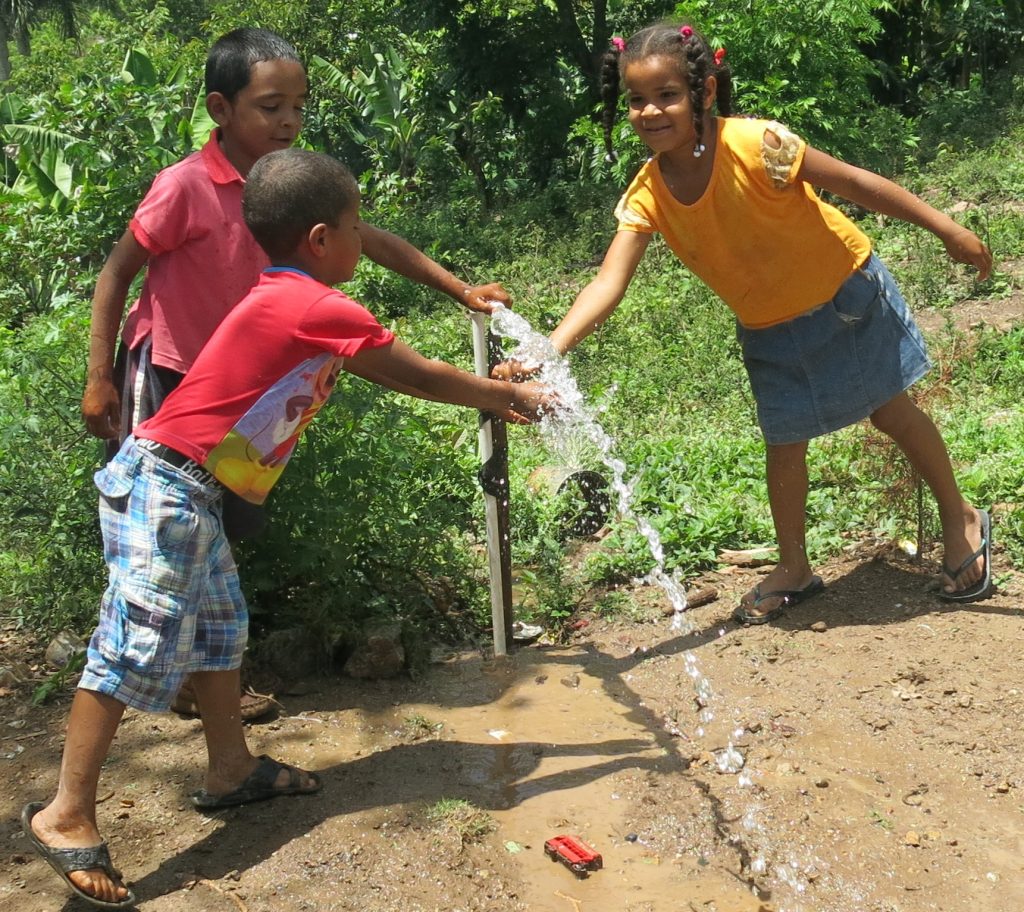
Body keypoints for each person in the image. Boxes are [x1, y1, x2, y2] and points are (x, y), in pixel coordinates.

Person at [23, 147, 555, 909]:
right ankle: (66, 811)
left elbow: (397, 371)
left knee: (219, 631)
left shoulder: (286, 295)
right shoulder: (314, 305)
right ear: (319, 239)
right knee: (133, 644)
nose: (360, 238)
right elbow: (416, 373)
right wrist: (512, 397)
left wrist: (493, 389)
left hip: (190, 490)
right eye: (354, 226)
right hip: (166, 490)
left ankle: (231, 768)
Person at [496, 21, 994, 622]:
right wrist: (550, 348)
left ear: (703, 92)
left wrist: (946, 227)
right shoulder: (648, 193)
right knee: (784, 444)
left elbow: (856, 183)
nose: (649, 111)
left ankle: (960, 519)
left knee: (892, 412)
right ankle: (795, 567)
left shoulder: (759, 144)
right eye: (636, 100)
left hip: (845, 296)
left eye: (666, 95)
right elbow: (608, 281)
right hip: (769, 329)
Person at [81, 27, 511, 717]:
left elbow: (372, 239)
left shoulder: (290, 183)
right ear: (221, 109)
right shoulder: (186, 186)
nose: (288, 121)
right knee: (158, 532)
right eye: (270, 106)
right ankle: (155, 663)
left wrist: (460, 290)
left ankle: (203, 680)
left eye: (299, 107)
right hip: (170, 375)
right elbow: (116, 272)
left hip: (243, 392)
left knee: (215, 531)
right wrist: (99, 374)